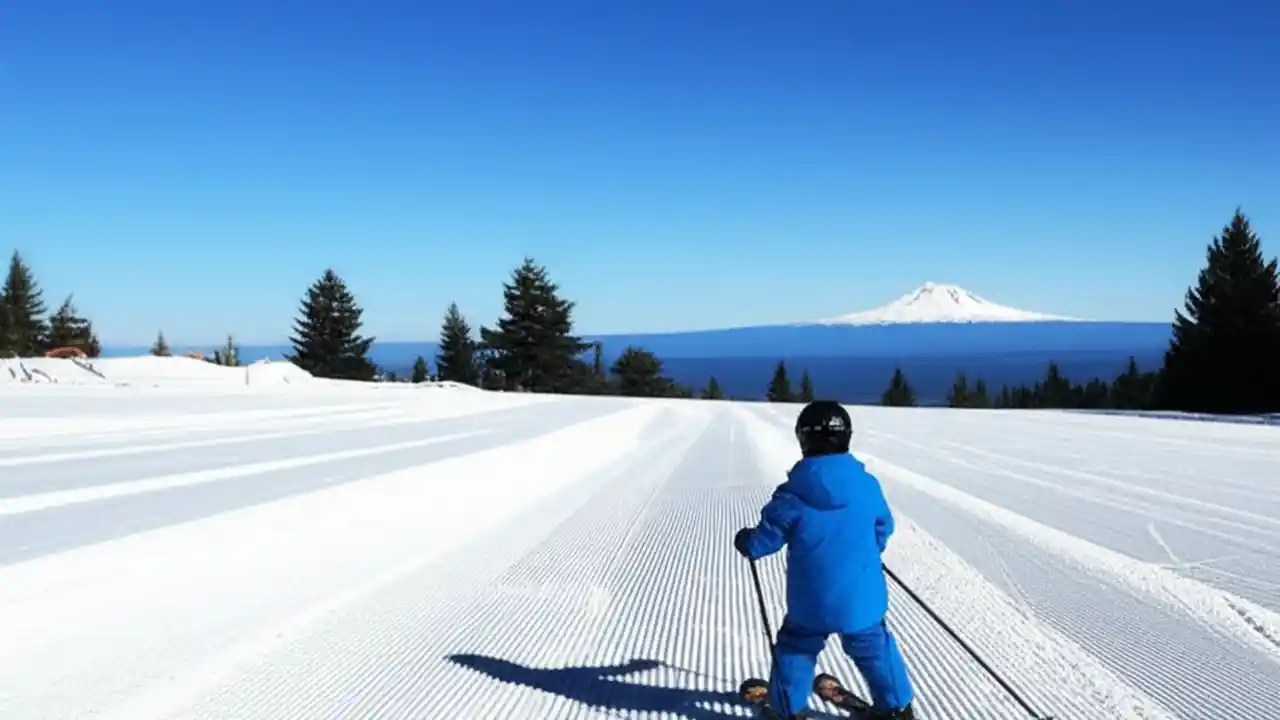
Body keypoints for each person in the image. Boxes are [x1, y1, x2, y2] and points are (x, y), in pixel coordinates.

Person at [734, 400, 915, 719]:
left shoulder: (791, 494)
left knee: (796, 648)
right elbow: (882, 527)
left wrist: (747, 541)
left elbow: (765, 542)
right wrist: (864, 551)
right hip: (862, 595)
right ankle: (897, 708)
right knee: (875, 647)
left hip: (811, 603)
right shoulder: (867, 485)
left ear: (803, 439)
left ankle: (787, 709)